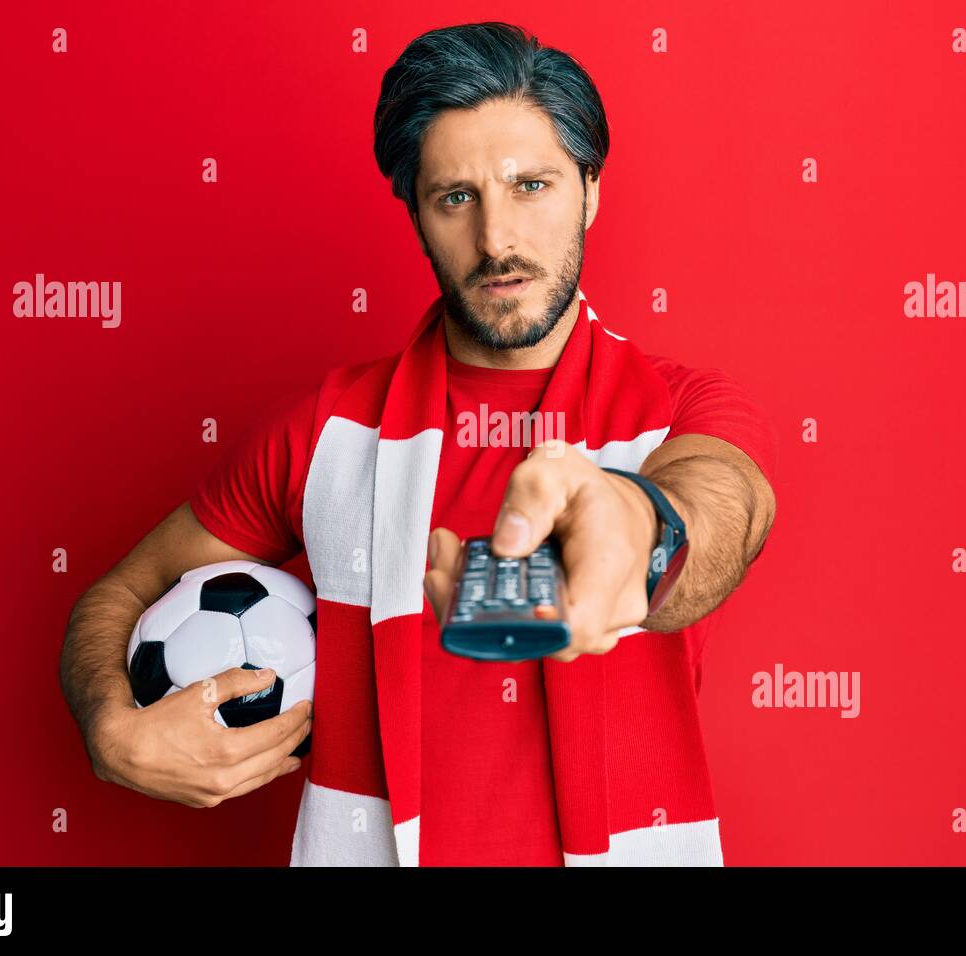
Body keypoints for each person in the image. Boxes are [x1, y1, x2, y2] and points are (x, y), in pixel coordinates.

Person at [60, 21, 778, 866]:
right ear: (415, 213)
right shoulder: (323, 430)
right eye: (457, 197)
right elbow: (116, 596)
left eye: (533, 186)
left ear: (591, 189)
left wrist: (639, 531)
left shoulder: (682, 407)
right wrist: (109, 722)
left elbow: (724, 505)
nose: (498, 240)